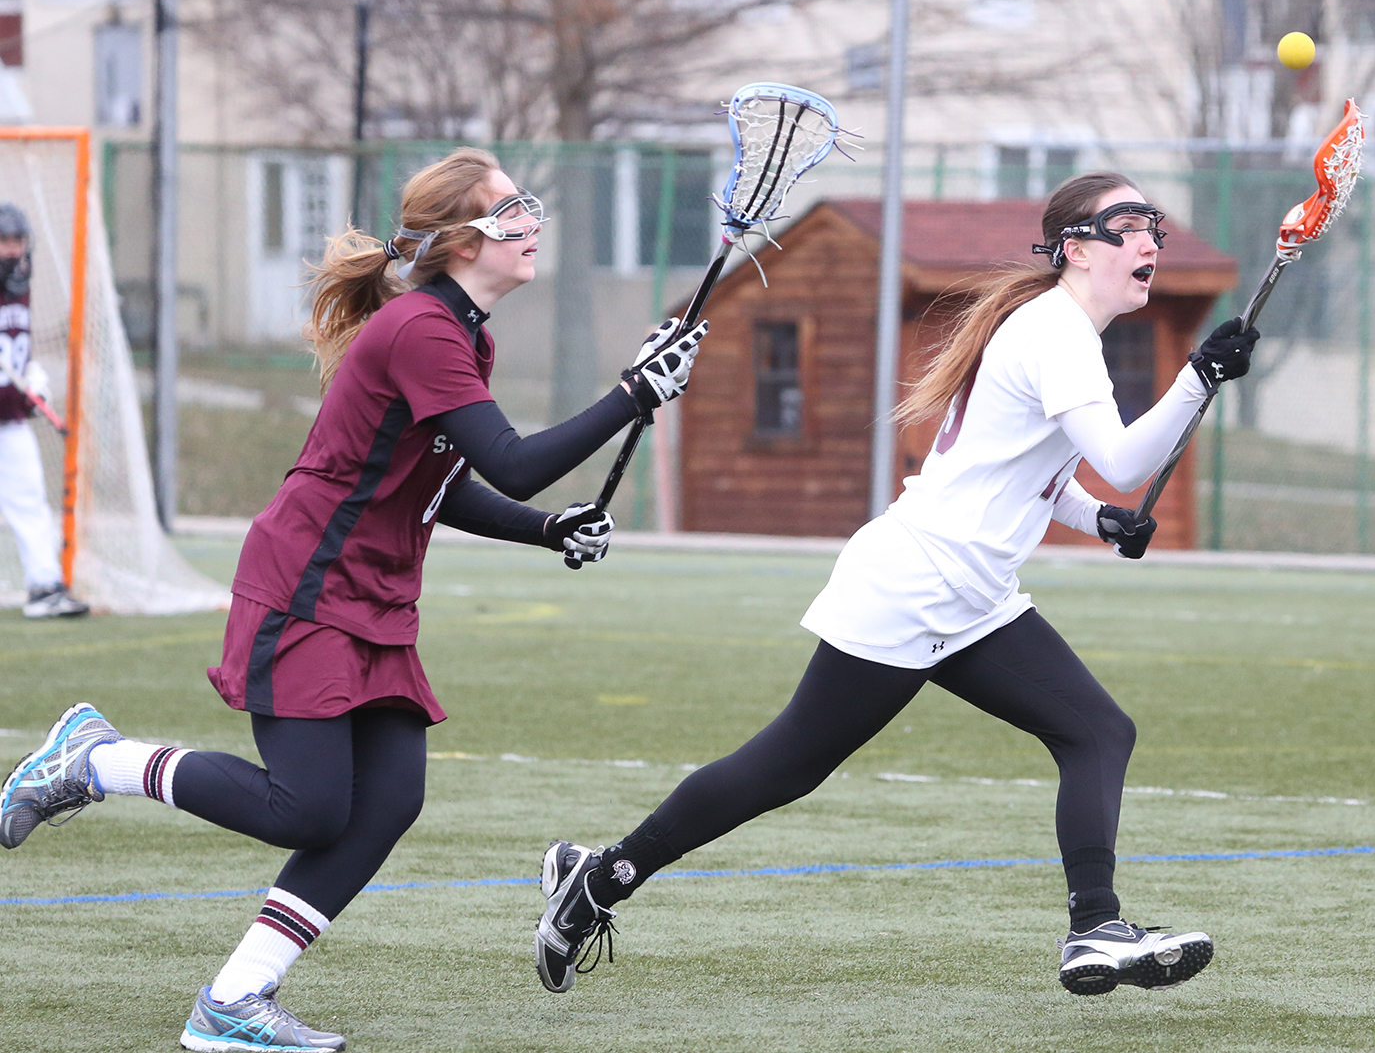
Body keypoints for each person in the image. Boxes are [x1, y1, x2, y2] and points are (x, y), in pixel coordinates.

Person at [0, 147, 707, 1052]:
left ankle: (233, 1001)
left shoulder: (462, 333)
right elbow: (515, 460)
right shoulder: (421, 329)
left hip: (370, 596)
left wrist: (545, 529)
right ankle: (93, 760)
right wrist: (630, 393)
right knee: (307, 808)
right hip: (306, 586)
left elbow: (440, 481)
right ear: (462, 241)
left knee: (385, 802)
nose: (531, 222)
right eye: (511, 208)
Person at [532, 170, 1262, 997]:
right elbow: (1128, 460)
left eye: (1154, 227)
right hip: (915, 583)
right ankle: (601, 877)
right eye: (1126, 224)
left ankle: (1094, 930)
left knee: (1097, 731)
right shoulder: (1055, 331)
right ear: (1073, 247)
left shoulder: (1058, 330)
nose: (1148, 242)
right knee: (785, 768)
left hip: (975, 596)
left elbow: (1032, 469)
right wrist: (1198, 377)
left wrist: (1098, 521)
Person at [0, 202, 89, 619]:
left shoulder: (20, 287)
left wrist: (33, 380)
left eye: (17, 241)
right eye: (4, 241)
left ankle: (43, 588)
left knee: (30, 501)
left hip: (9, 420)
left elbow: (21, 349)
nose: (13, 250)